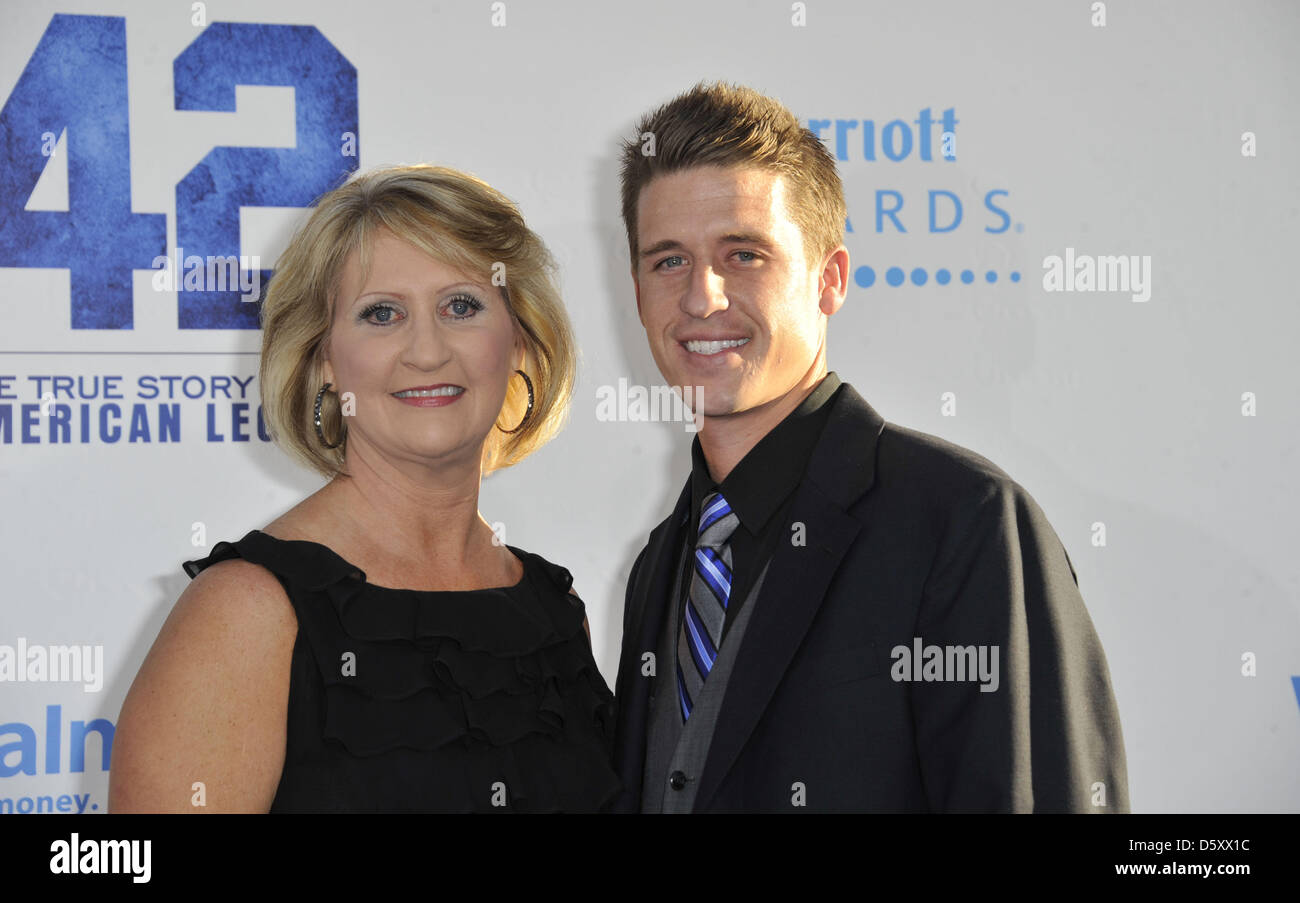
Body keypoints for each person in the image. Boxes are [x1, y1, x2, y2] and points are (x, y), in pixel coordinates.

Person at [610, 83, 1130, 812]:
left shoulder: (965, 523)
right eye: (668, 261)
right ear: (636, 291)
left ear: (830, 280)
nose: (702, 296)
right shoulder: (661, 563)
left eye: (744, 255)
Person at [109, 165, 620, 813]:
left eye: (461, 305)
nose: (427, 351)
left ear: (518, 339)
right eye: (381, 314)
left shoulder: (553, 607)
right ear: (323, 358)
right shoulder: (248, 614)